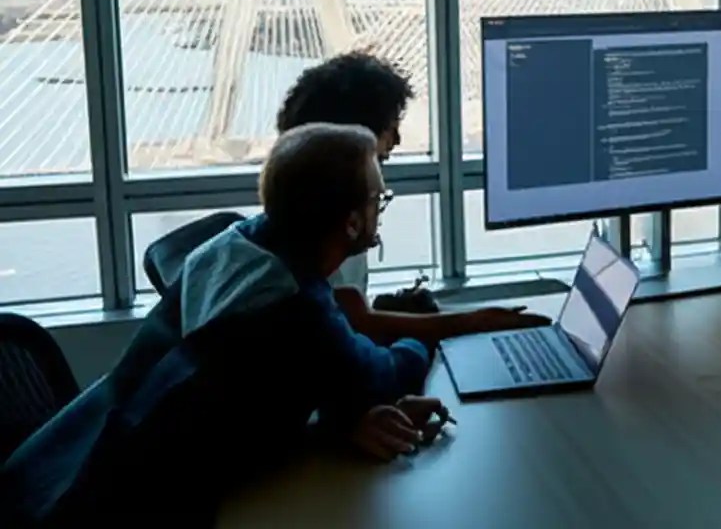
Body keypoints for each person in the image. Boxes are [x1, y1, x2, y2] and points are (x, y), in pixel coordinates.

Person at [2, 124, 450, 526]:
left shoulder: (234, 241)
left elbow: (254, 385)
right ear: (352, 222)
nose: (380, 205)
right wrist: (422, 327)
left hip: (54, 465)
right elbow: (387, 375)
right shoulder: (299, 312)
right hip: (103, 511)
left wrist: (332, 413)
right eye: (378, 199)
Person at [276, 51, 550, 345]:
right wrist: (470, 323)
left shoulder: (303, 207)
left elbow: (354, 317)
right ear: (355, 135)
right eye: (390, 126)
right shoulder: (325, 232)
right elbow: (351, 330)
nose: (397, 140)